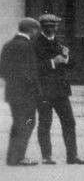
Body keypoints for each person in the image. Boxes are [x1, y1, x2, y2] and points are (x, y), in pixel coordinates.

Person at [33, 14, 84, 165]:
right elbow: (32, 68)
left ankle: (72, 156)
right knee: (45, 122)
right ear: (43, 27)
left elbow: (70, 64)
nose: (53, 29)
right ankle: (46, 157)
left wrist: (66, 57)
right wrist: (53, 62)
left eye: (55, 26)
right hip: (43, 90)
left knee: (69, 122)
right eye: (50, 26)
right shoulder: (35, 43)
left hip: (60, 90)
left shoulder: (57, 41)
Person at [1, 18, 43, 166]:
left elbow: (2, 71)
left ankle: (13, 157)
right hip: (26, 94)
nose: (37, 33)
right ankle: (18, 157)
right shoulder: (26, 46)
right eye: (36, 30)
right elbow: (29, 73)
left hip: (12, 93)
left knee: (18, 124)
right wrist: (36, 90)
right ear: (32, 30)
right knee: (27, 123)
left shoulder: (8, 45)